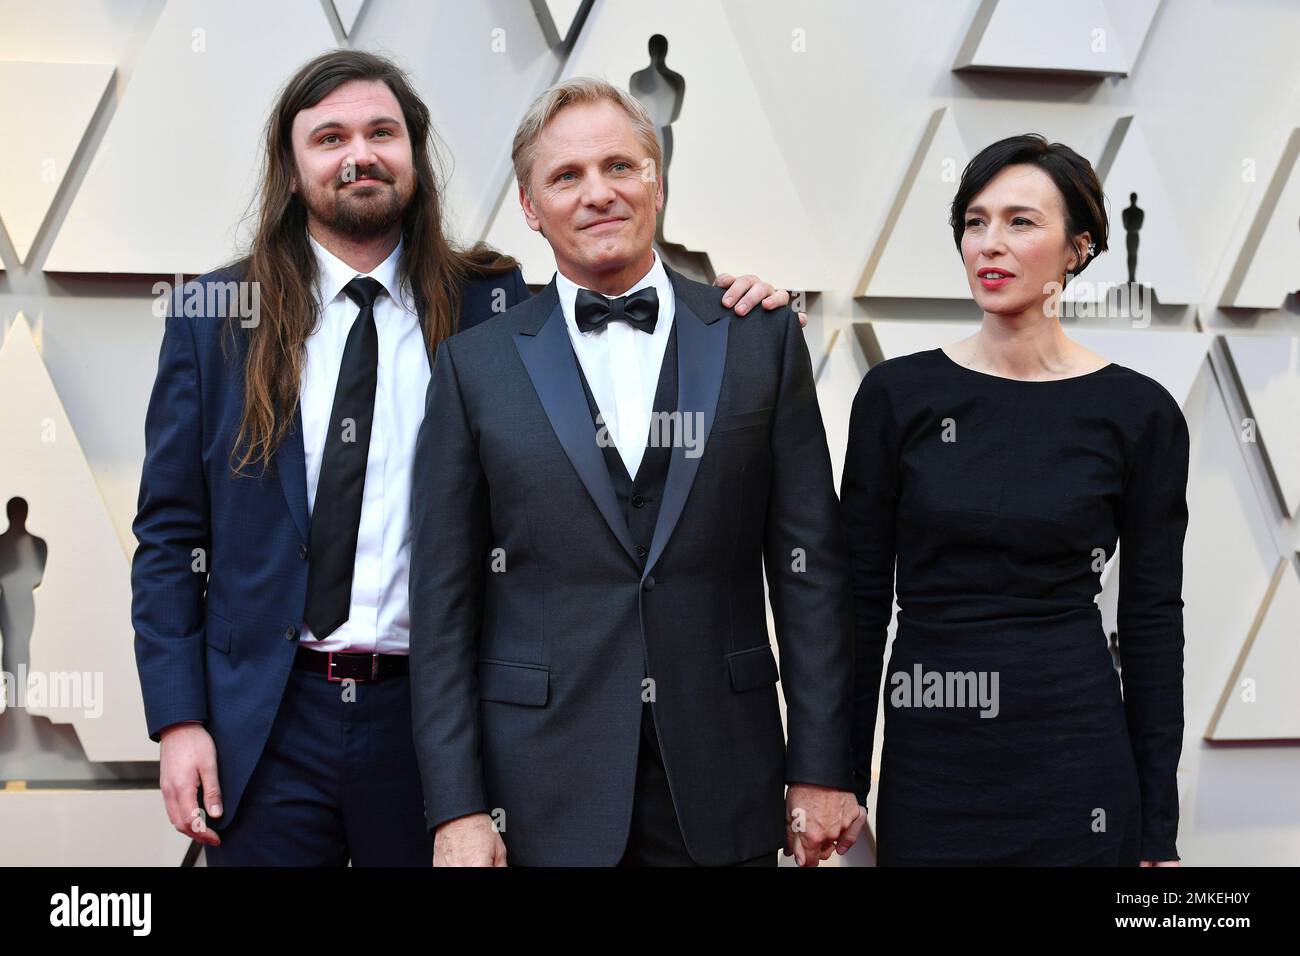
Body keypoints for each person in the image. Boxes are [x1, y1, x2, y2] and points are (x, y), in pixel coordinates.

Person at [131, 50, 792, 867]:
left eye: (383, 131)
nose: (359, 154)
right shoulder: (213, 317)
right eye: (329, 137)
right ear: (292, 166)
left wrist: (731, 301)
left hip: (439, 719)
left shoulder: (496, 303)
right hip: (263, 720)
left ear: (415, 152)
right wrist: (179, 718)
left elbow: (624, 304)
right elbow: (168, 538)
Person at [409, 77, 864, 867]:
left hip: (727, 776)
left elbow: (811, 573)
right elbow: (443, 600)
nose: (598, 194)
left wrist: (822, 767)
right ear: (528, 206)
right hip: (540, 788)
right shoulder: (472, 366)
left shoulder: (760, 339)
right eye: (566, 176)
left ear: (658, 181)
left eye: (620, 166)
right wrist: (456, 806)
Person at [842, 133, 1188, 866]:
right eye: (975, 221)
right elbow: (860, 600)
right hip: (933, 754)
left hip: (1076, 757)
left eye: (1021, 222)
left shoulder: (1139, 413)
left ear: (1079, 249)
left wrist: (1158, 823)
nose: (989, 244)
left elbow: (1153, 621)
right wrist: (838, 776)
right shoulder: (897, 396)